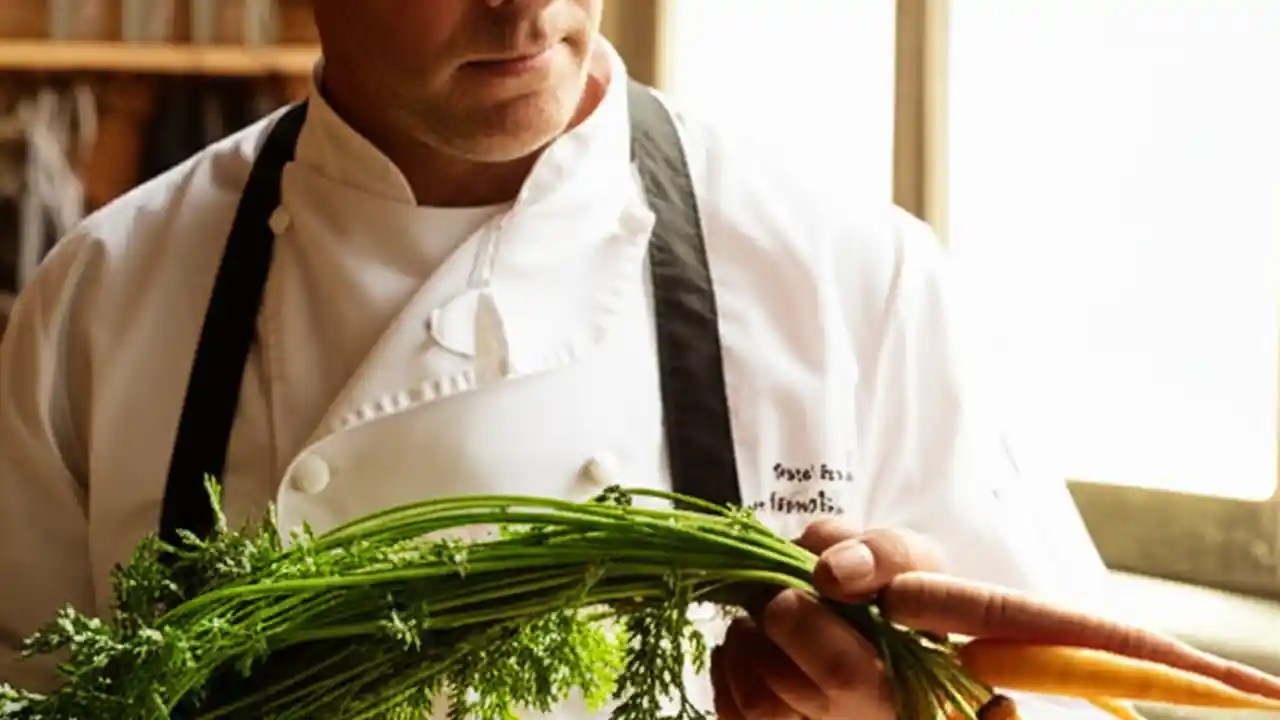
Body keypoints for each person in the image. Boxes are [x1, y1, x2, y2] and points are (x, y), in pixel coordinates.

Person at [0, 1, 1115, 717]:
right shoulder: (104, 299)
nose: (525, 4)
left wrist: (903, 708)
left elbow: (1067, 701)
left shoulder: (852, 278)